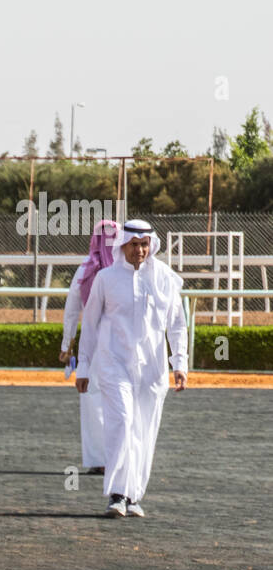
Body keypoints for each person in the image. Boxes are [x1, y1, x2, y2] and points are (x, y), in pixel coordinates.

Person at [76, 219, 187, 517]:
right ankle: (116, 494)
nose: (140, 250)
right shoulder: (106, 279)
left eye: (144, 244)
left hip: (152, 371)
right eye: (134, 244)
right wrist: (83, 366)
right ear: (122, 245)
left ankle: (134, 494)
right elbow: (89, 325)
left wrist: (180, 362)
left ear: (151, 245)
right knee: (122, 424)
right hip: (114, 365)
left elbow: (176, 324)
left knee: (144, 430)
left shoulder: (165, 278)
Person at [61, 219, 118, 474]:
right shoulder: (126, 271)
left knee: (93, 398)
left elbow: (72, 311)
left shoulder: (84, 270)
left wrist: (67, 345)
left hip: (93, 343)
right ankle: (119, 457)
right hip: (120, 343)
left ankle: (99, 460)